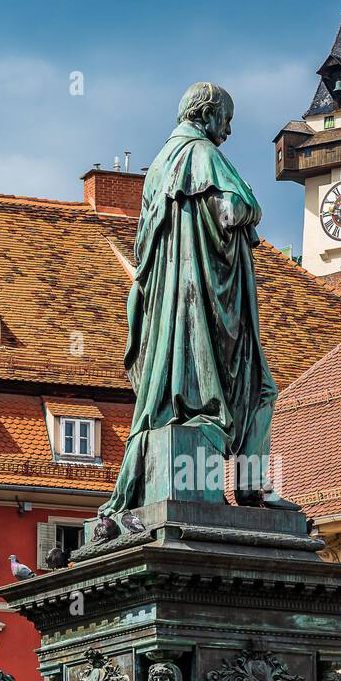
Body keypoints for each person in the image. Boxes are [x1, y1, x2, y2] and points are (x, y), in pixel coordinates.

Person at [100, 81, 297, 519]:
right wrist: (249, 210)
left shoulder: (158, 167)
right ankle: (253, 490)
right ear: (207, 114)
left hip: (178, 308)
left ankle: (250, 489)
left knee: (233, 396)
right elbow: (232, 208)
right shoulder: (200, 154)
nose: (227, 131)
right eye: (226, 120)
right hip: (210, 301)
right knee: (260, 390)